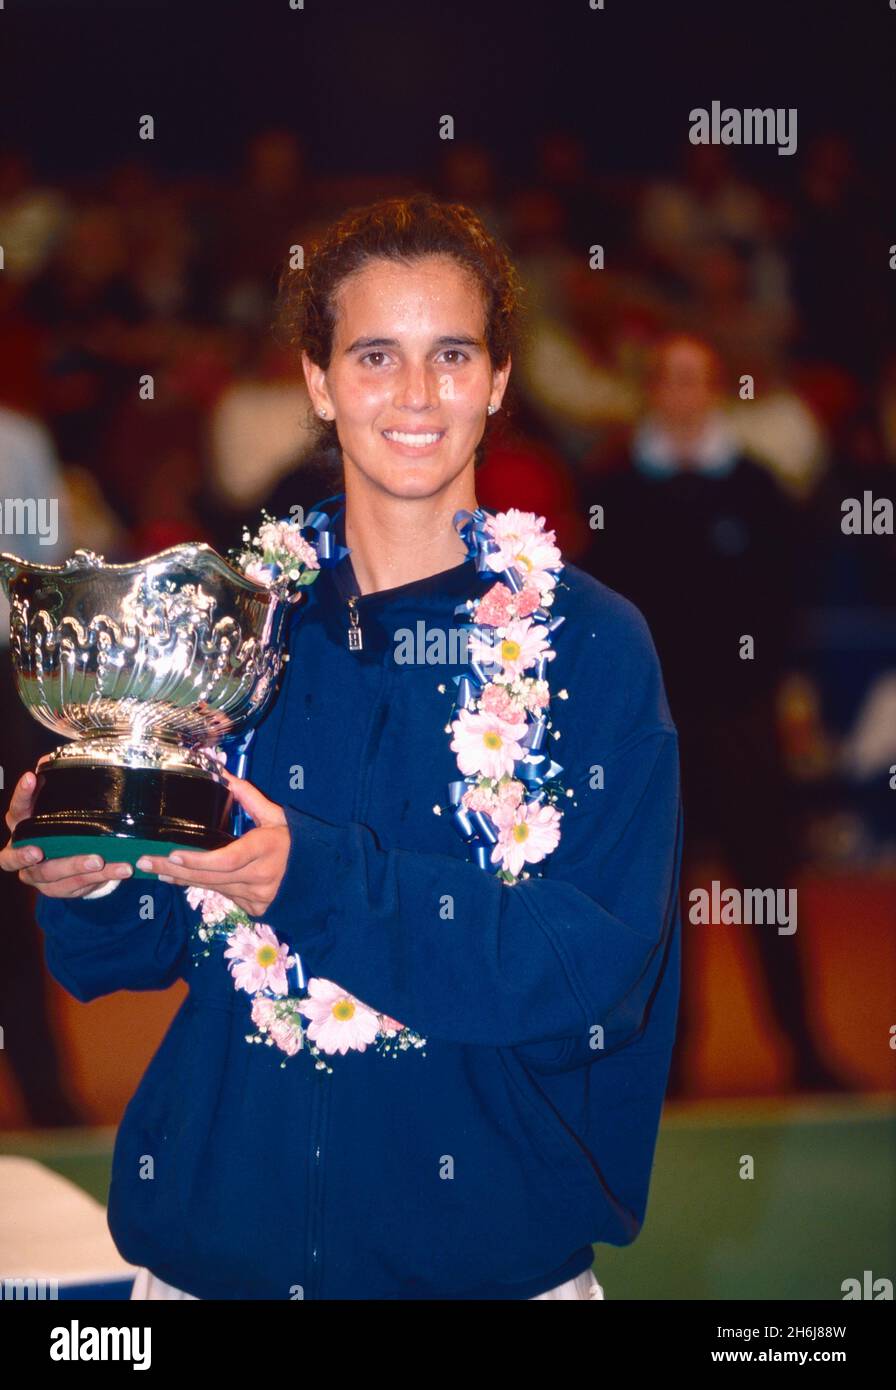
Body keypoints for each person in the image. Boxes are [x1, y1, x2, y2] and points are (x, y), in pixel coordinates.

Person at [1, 195, 681, 1300]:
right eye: (374, 355)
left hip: (486, 1275)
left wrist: (308, 879)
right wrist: (94, 881)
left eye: (449, 354)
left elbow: (588, 966)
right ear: (317, 381)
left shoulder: (589, 646)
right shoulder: (229, 626)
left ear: (499, 379)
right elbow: (145, 942)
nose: (414, 395)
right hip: (211, 1272)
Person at [580, 334, 848, 1095]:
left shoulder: (758, 488)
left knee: (770, 886)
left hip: (746, 725)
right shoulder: (617, 489)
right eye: (669, 380)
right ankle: (673, 1065)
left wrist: (784, 694)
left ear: (716, 389)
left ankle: (806, 1050)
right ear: (653, 391)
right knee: (662, 903)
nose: (682, 393)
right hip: (657, 730)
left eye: (696, 380)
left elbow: (787, 602)